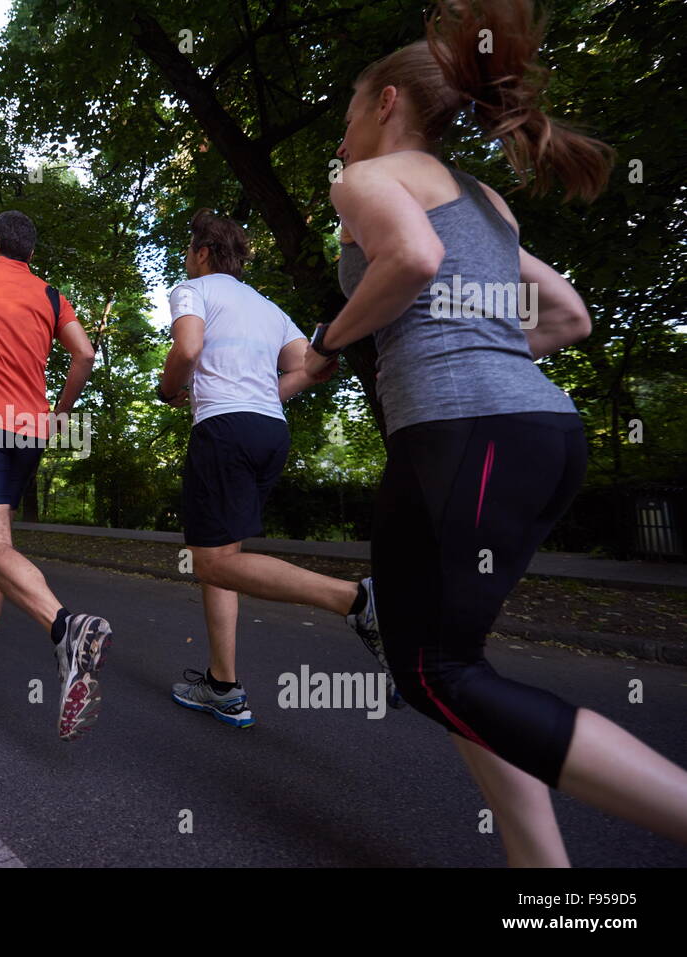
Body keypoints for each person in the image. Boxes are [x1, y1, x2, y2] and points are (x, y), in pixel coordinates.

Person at [304, 0, 687, 863]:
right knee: (455, 666)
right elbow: (570, 315)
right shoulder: (484, 201)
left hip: (461, 434)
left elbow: (412, 259)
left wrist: (326, 343)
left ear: (390, 103)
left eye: (352, 113)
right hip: (540, 431)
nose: (345, 136)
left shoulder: (366, 181)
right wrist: (486, 352)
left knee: (434, 672)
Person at [160, 210, 384, 728]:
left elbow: (187, 347)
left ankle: (357, 599)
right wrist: (267, 389)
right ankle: (223, 685)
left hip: (225, 432)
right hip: (269, 432)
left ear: (201, 253)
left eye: (191, 253)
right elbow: (316, 367)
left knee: (208, 561)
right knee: (225, 556)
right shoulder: (268, 308)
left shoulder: (193, 290)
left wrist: (170, 389)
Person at [0, 211, 110, 740]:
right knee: (1, 544)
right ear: (31, 253)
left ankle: (65, 626)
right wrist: (60, 410)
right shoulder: (52, 296)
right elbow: (84, 352)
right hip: (30, 429)